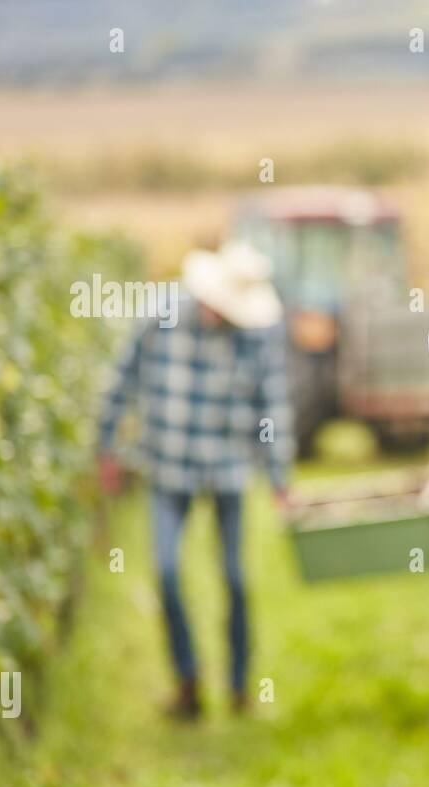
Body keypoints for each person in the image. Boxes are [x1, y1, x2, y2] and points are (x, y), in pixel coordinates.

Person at [98, 242, 294, 720]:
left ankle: (240, 687)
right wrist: (105, 447)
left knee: (234, 578)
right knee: (165, 571)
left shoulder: (256, 335)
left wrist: (278, 476)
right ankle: (187, 683)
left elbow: (273, 404)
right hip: (168, 465)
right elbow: (121, 377)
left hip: (226, 466)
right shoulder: (160, 315)